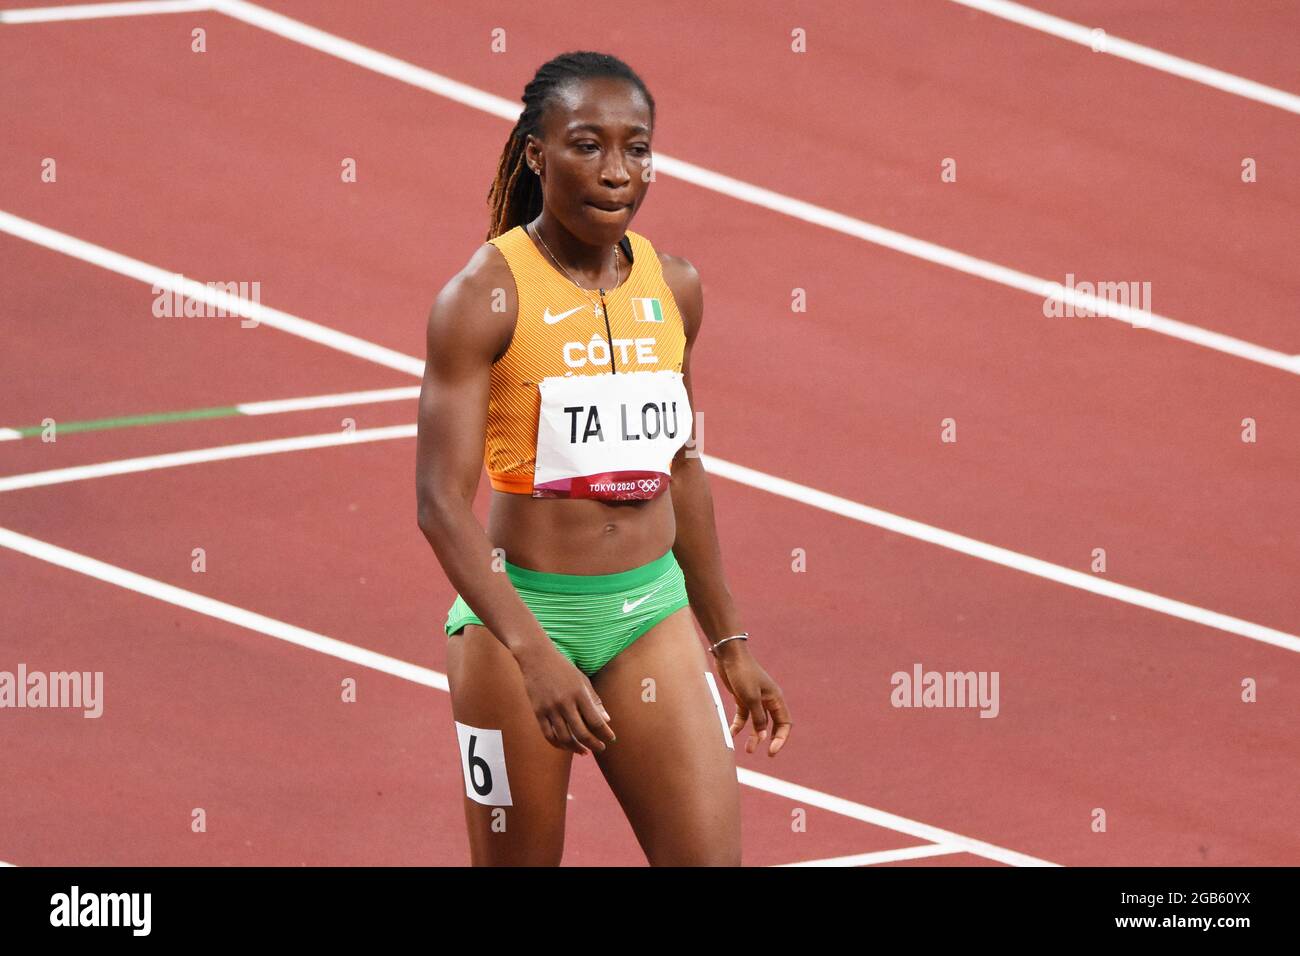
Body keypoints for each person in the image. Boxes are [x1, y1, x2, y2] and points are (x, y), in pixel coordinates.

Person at [416, 51, 792, 867]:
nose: (617, 173)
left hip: (648, 618)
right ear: (536, 154)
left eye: (638, 148)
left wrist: (730, 640)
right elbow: (440, 505)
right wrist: (532, 653)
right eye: (587, 146)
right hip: (516, 628)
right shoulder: (484, 299)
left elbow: (681, 465)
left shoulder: (676, 288)